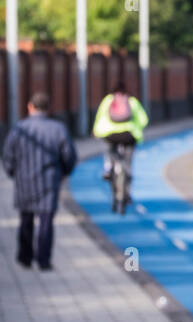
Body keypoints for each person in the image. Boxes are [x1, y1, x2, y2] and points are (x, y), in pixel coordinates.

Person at [2, 91, 77, 271]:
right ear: (49, 108)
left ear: (30, 106)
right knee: (46, 222)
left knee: (25, 220)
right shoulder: (58, 128)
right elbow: (69, 155)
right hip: (49, 182)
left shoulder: (19, 129)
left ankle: (25, 257)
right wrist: (65, 172)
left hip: (24, 181)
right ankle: (43, 260)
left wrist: (12, 172)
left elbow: (8, 155)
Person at [92, 81, 148, 201]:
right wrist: (136, 128)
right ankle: (127, 189)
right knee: (128, 163)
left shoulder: (108, 100)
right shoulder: (132, 101)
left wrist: (96, 131)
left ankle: (108, 168)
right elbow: (143, 120)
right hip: (129, 135)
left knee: (109, 151)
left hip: (111, 134)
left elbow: (100, 116)